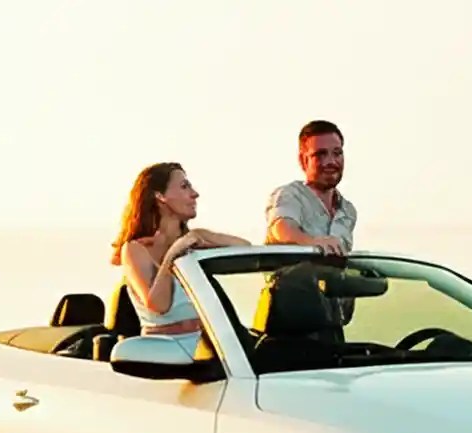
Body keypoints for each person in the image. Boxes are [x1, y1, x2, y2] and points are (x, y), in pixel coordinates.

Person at [111, 161, 251, 354]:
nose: (195, 194)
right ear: (160, 196)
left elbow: (245, 248)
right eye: (185, 187)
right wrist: (172, 255)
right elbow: (159, 305)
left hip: (209, 349)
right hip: (164, 353)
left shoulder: (197, 238)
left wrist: (206, 239)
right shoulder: (135, 249)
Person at [264, 120, 357, 256]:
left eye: (337, 153)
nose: (331, 161)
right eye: (320, 154)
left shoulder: (347, 211)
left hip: (330, 277)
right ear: (303, 160)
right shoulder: (290, 195)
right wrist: (312, 242)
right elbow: (281, 229)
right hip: (291, 277)